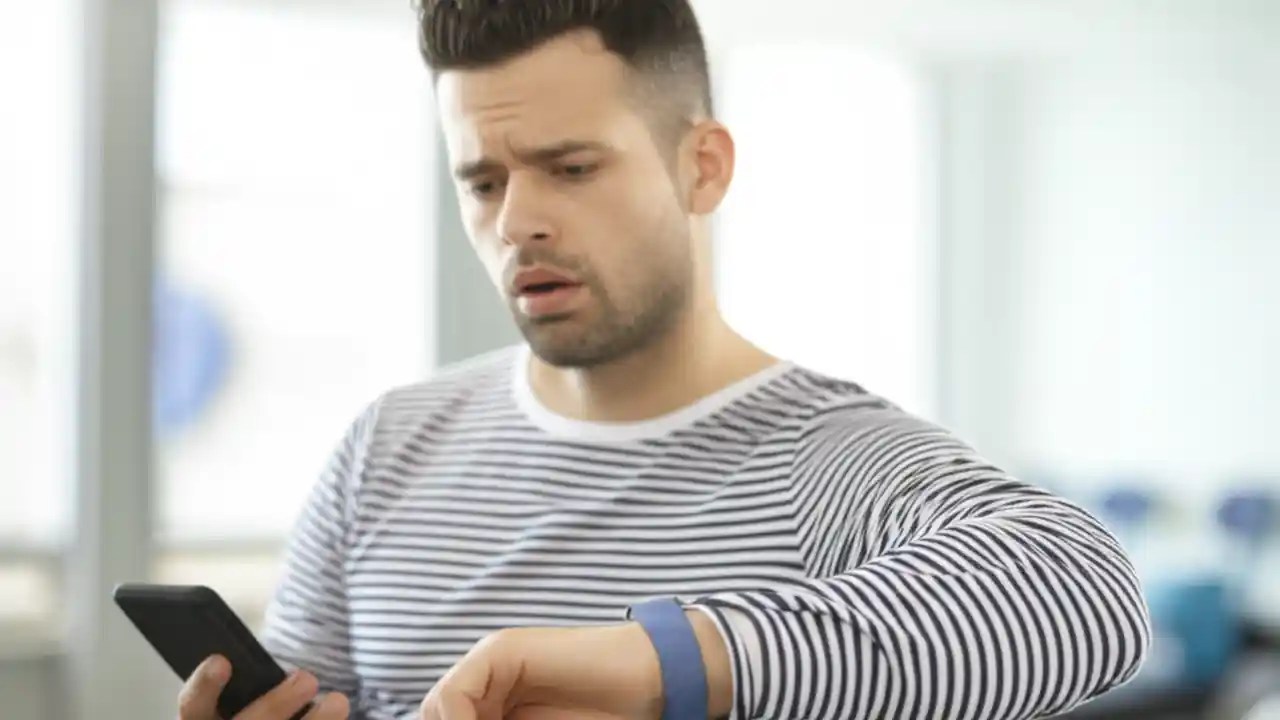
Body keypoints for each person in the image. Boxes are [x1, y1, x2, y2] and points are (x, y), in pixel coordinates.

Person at [176, 1, 1151, 719]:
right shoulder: (385, 447)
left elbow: (1085, 596)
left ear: (702, 165)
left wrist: (658, 664)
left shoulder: (826, 460)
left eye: (570, 167)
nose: (516, 222)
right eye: (481, 180)